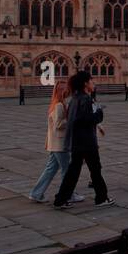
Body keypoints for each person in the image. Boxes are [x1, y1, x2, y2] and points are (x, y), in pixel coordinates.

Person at [53, 71, 113, 208]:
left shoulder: (75, 98)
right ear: (85, 83)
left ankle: (60, 199)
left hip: (78, 141)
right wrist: (99, 113)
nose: (94, 83)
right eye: (92, 81)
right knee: (95, 170)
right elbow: (85, 119)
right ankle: (101, 198)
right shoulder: (85, 99)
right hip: (87, 142)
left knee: (73, 172)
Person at [28, 81, 83, 204]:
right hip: (60, 144)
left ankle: (36, 193)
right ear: (58, 91)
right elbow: (58, 125)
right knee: (67, 171)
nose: (66, 91)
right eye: (63, 89)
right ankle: (69, 195)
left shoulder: (58, 103)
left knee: (50, 169)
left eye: (66, 89)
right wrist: (71, 119)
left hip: (55, 143)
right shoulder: (59, 105)